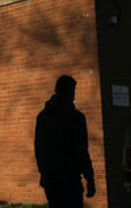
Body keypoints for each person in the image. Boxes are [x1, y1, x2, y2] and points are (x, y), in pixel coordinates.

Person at [35, 75, 96, 208]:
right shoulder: (76, 118)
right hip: (70, 178)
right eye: (73, 91)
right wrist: (89, 178)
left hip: (50, 179)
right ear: (70, 91)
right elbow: (81, 150)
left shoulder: (42, 117)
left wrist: (44, 173)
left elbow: (39, 149)